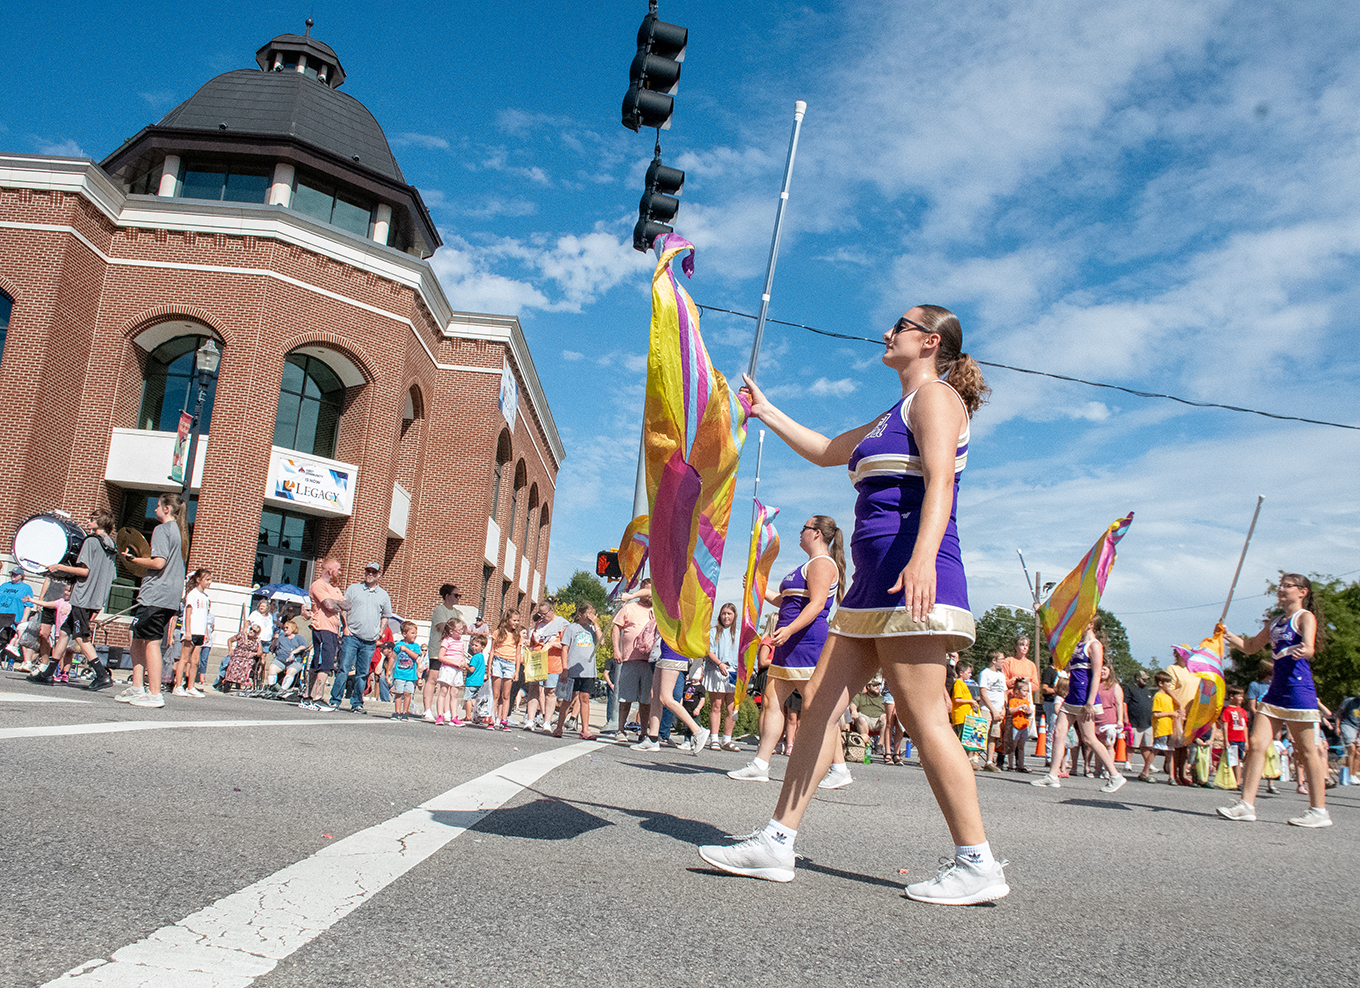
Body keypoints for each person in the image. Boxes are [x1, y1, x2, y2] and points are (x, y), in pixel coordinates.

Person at [700, 304, 1010, 904]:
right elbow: (824, 449)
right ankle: (777, 840)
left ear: (930, 342)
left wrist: (920, 559)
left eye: (902, 326)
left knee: (923, 717)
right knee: (816, 705)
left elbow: (941, 482)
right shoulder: (889, 414)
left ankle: (977, 863)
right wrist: (764, 412)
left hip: (915, 575)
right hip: (869, 587)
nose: (887, 332)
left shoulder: (937, 399)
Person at [727, 515, 850, 788]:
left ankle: (840, 767)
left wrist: (790, 629)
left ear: (816, 533)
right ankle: (761, 763)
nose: (800, 532)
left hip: (805, 642)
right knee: (772, 701)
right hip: (787, 643)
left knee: (817, 708)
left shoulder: (822, 563)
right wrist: (755, 588)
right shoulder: (806, 566)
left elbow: (817, 604)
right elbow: (782, 600)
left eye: (804, 528)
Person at [1217, 575, 1332, 827]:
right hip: (1275, 691)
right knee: (1256, 743)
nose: (1281, 590)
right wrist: (1227, 634)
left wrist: (1302, 650)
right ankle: (1246, 804)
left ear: (1302, 592)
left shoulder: (1304, 617)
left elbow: (1309, 647)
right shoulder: (1276, 622)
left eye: (1287, 586)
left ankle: (1319, 810)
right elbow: (1250, 647)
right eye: (1280, 586)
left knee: (1307, 751)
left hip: (1298, 690)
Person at [1032, 617, 1125, 793]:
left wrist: (1090, 701)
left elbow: (1096, 675)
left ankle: (1115, 775)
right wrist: (1043, 614)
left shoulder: (1095, 646)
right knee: (1058, 733)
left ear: (1091, 625)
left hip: (1084, 699)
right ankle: (1053, 775)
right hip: (1071, 697)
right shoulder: (1077, 644)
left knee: (1089, 738)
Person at [28, 508, 118, 689]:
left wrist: (59, 567)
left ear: (100, 522)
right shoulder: (110, 544)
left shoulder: (91, 541)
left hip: (83, 596)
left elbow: (85, 570)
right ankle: (48, 673)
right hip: (95, 596)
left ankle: (101, 675)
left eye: (92, 518)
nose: (89, 520)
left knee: (80, 636)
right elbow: (111, 575)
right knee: (63, 633)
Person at [117, 492, 189, 708]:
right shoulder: (179, 531)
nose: (155, 509)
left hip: (157, 594)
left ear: (167, 508)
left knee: (151, 642)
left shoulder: (162, 529)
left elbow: (158, 563)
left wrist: (132, 559)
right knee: (138, 638)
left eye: (158, 506)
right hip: (168, 595)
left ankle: (155, 693)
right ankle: (137, 687)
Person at [331, 563, 393, 713]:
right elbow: (343, 609)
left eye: (373, 572)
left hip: (370, 641)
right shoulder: (354, 589)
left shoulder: (383, 595)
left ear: (379, 575)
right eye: (368, 571)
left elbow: (386, 615)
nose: (370, 574)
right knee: (344, 668)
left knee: (362, 673)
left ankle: (357, 703)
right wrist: (345, 627)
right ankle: (335, 701)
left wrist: (380, 632)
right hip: (351, 637)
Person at [611, 581, 655, 742]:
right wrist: (617, 649)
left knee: (646, 699)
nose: (649, 595)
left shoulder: (657, 611)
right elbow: (616, 627)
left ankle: (644, 731)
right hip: (630, 658)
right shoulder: (629, 608)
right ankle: (620, 730)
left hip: (650, 661)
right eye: (646, 592)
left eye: (651, 592)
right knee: (626, 697)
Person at [302, 558, 346, 712]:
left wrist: (337, 605)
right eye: (338, 570)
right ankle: (316, 698)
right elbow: (328, 604)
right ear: (330, 571)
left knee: (321, 661)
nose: (339, 573)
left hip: (334, 629)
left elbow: (347, 605)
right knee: (323, 662)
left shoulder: (335, 589)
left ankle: (309, 696)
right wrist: (337, 605)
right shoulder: (318, 585)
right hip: (322, 628)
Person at [553, 602, 601, 740]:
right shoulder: (572, 628)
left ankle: (585, 729)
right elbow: (565, 648)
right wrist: (565, 668)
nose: (590, 617)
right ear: (580, 615)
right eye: (588, 614)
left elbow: (601, 641)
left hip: (588, 671)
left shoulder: (592, 629)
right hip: (573, 670)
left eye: (593, 614)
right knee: (568, 698)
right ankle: (559, 727)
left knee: (584, 698)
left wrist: (596, 624)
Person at [703, 602, 741, 751]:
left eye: (729, 614)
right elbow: (709, 651)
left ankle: (727, 739)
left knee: (732, 708)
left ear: (734, 616)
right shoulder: (713, 632)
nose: (726, 616)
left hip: (733, 672)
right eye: (724, 613)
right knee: (716, 705)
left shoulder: (738, 633)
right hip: (717, 670)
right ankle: (714, 738)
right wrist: (719, 664)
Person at [526, 604, 568, 730]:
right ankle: (530, 720)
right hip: (537, 660)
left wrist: (554, 644)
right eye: (540, 614)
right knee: (533, 689)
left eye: (544, 614)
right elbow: (534, 641)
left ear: (552, 610)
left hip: (553, 662)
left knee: (550, 691)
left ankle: (547, 722)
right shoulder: (539, 624)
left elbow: (567, 644)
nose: (542, 617)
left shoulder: (562, 623)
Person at [424, 584, 462, 721]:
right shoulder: (439, 610)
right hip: (437, 649)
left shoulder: (457, 613)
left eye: (459, 595)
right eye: (455, 595)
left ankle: (446, 711)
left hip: (452, 654)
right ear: (447, 596)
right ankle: (427, 709)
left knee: (448, 683)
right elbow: (440, 626)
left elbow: (462, 627)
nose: (458, 598)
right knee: (433, 679)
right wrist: (454, 626)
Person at [173, 568, 212, 697]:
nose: (209, 582)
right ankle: (178, 685)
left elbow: (205, 616)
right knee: (184, 659)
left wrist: (206, 632)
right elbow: (188, 613)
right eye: (207, 579)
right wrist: (188, 631)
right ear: (198, 580)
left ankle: (190, 686)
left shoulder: (205, 597)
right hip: (191, 631)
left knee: (195, 661)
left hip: (200, 632)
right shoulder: (192, 594)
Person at [490, 609, 523, 730]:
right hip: (498, 661)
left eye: (518, 621)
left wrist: (517, 671)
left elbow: (518, 654)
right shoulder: (498, 632)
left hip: (510, 664)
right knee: (496, 694)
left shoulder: (517, 635)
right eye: (514, 620)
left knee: (506, 694)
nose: (516, 623)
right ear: (507, 620)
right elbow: (492, 651)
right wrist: (489, 669)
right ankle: (492, 719)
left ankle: (503, 719)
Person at [1124, 670, 1156, 781]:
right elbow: (1125, 703)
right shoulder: (1131, 689)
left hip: (1147, 722)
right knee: (1132, 744)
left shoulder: (1147, 690)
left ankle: (1148, 764)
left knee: (1147, 745)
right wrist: (1125, 717)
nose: (1145, 681)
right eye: (1143, 679)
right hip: (1135, 721)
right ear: (1137, 678)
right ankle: (1128, 762)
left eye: (1146, 679)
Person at [978, 651, 1007, 770]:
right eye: (1001, 659)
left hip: (999, 710)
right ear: (994, 660)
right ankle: (972, 758)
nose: (1003, 661)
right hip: (987, 709)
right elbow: (983, 694)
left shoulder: (1001, 675)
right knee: (980, 733)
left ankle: (989, 761)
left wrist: (1003, 709)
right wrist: (993, 710)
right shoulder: (985, 673)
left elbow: (1004, 692)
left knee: (993, 736)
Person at [390, 623, 424, 721]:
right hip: (399, 673)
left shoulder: (416, 646)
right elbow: (393, 656)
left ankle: (405, 712)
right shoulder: (399, 644)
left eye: (416, 633)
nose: (415, 635)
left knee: (408, 693)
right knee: (398, 693)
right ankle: (397, 712)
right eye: (412, 633)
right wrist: (389, 670)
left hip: (410, 675)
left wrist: (405, 649)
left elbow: (415, 656)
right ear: (404, 634)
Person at [1095, 663, 1124, 775]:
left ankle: (1109, 770)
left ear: (1109, 671)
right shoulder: (1094, 684)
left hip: (1109, 718)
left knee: (1108, 744)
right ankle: (1097, 769)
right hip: (1095, 718)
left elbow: (1119, 704)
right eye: (1100, 669)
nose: (1102, 672)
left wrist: (1120, 720)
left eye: (1105, 669)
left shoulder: (1115, 686)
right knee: (1097, 745)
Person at [271, 618, 310, 693]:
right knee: (272, 668)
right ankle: (272, 687)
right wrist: (275, 639)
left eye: (287, 627)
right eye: (284, 627)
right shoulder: (281, 637)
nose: (285, 629)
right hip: (281, 660)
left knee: (291, 671)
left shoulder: (299, 638)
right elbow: (274, 646)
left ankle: (282, 690)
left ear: (293, 628)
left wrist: (293, 652)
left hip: (295, 661)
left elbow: (303, 646)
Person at [221, 623, 263, 691]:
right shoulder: (242, 635)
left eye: (254, 631)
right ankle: (228, 681)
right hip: (237, 655)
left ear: (257, 634)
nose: (251, 631)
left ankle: (241, 682)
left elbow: (259, 653)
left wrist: (253, 654)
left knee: (245, 665)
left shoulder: (257, 641)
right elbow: (230, 640)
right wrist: (230, 650)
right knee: (234, 663)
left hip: (248, 658)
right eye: (251, 629)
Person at [1221, 687, 1250, 788]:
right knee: (1234, 761)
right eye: (1239, 696)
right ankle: (1233, 782)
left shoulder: (1242, 711)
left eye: (1242, 696)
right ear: (1232, 697)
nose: (1241, 699)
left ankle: (1238, 782)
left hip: (1241, 739)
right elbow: (1225, 726)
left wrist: (1246, 741)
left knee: (1239, 761)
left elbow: (1245, 727)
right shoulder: (1227, 710)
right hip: (1232, 739)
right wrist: (1226, 740)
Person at [1006, 677, 1034, 772]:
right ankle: (1010, 765)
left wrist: (1028, 710)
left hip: (1024, 725)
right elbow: (1011, 711)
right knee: (1013, 746)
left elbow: (1029, 712)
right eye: (1024, 691)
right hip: (1015, 725)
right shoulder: (1013, 701)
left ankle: (1020, 765)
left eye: (1027, 691)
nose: (1026, 693)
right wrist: (1020, 707)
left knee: (1021, 746)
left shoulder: (1026, 701)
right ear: (1017, 691)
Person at [464, 634, 489, 725]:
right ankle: (481, 713)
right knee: (474, 699)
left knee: (468, 699)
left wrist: (465, 665)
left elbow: (471, 669)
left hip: (471, 681)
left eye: (476, 645)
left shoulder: (475, 657)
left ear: (482, 647)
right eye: (472, 645)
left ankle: (468, 716)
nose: (473, 647)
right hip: (478, 681)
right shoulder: (481, 657)